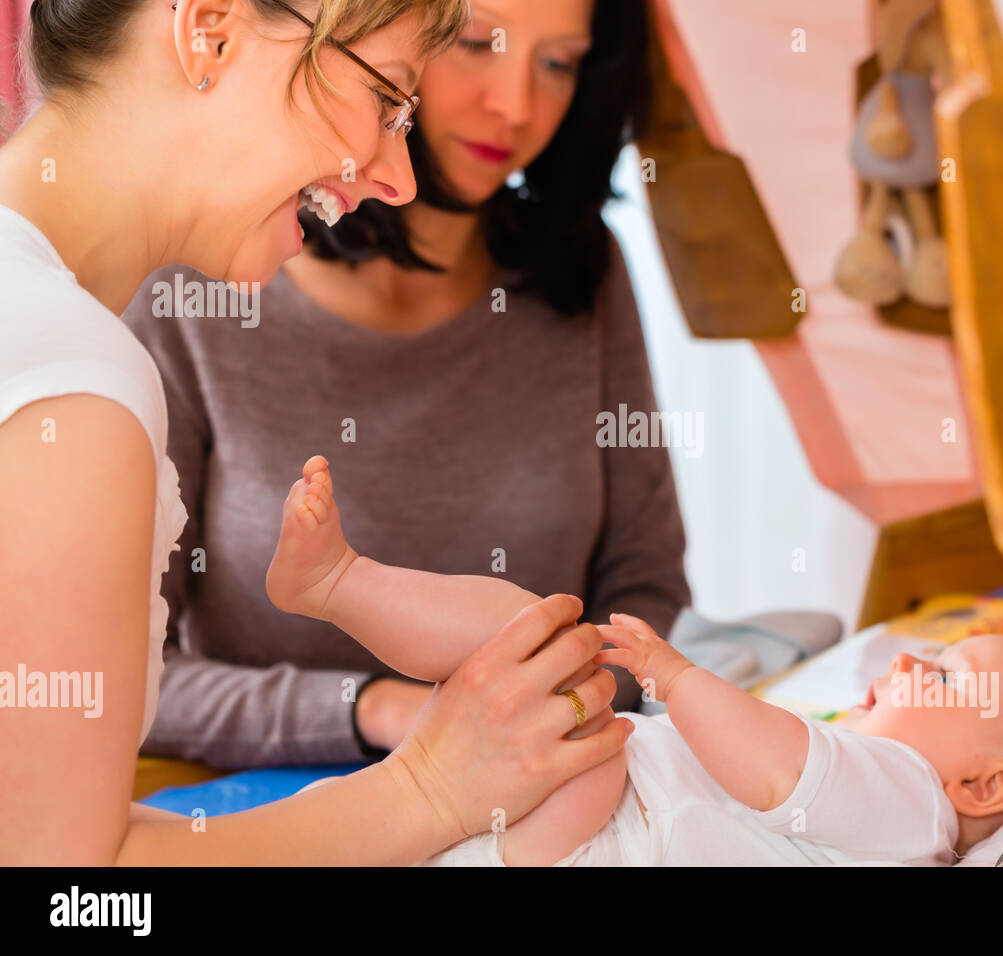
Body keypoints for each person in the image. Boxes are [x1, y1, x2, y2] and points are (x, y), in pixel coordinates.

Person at [0, 0, 628, 865]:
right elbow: (73, 897)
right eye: (386, 99)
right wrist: (432, 787)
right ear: (209, 30)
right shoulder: (73, 386)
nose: (399, 178)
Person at [121, 0, 689, 767]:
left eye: (558, 62)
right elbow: (114, 679)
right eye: (476, 42)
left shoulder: (584, 275)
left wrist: (568, 705)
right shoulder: (191, 289)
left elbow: (648, 594)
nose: (516, 106)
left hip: (547, 788)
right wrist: (383, 713)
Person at [263, 455, 1003, 865]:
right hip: (565, 824)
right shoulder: (882, 793)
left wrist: (675, 678)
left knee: (540, 648)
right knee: (535, 651)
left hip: (599, 832)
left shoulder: (913, 804)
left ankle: (342, 582)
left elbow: (779, 769)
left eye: (952, 678)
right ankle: (339, 584)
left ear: (985, 787)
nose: (915, 661)